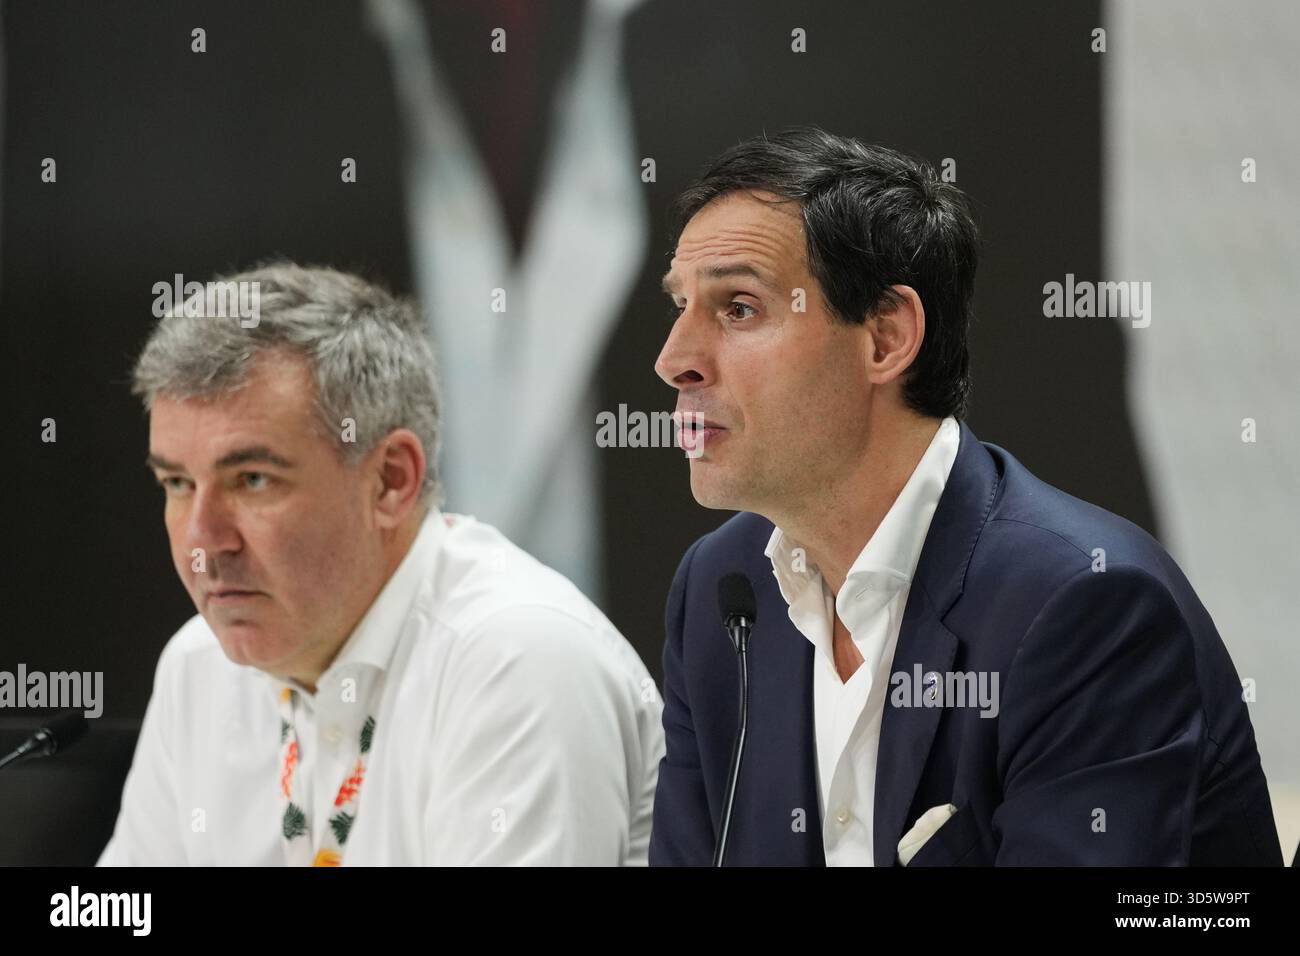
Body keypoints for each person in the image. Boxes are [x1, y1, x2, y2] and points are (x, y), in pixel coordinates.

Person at [648, 128, 1282, 866]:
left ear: (885, 338)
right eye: (680, 305)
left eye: (738, 309)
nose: (674, 361)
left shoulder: (1086, 605)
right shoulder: (721, 593)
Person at [100, 262, 663, 865]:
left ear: (391, 480)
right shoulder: (199, 667)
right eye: (178, 483)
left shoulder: (519, 660)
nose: (203, 541)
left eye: (253, 479)